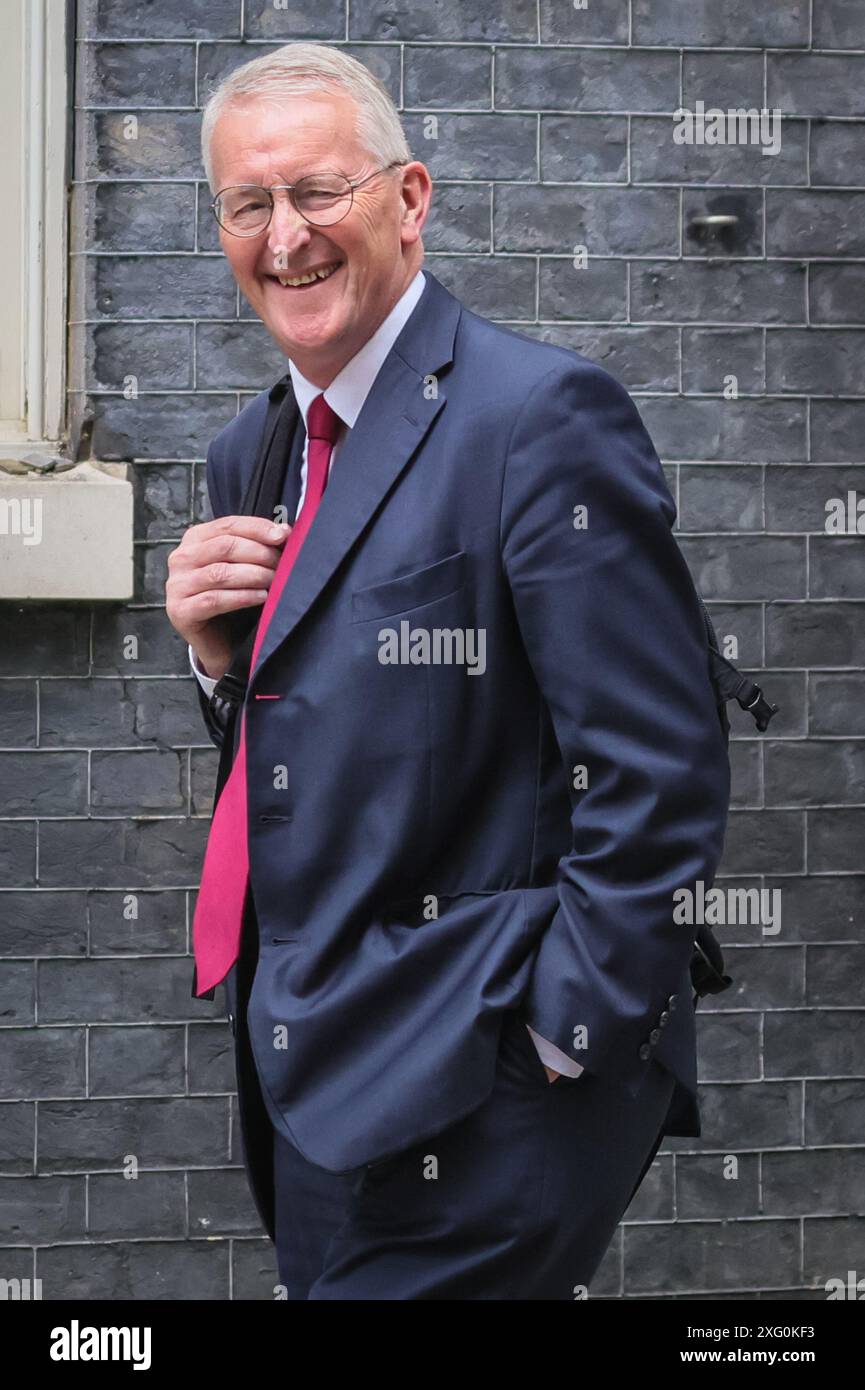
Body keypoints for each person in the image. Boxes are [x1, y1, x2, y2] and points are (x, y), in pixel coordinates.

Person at [165, 42, 730, 1300]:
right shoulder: (252, 448)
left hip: (483, 1082)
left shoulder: (538, 419)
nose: (285, 236)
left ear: (409, 199)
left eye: (319, 191)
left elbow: (661, 765)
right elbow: (317, 754)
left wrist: (561, 1036)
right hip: (315, 1067)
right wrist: (220, 666)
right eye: (248, 205)